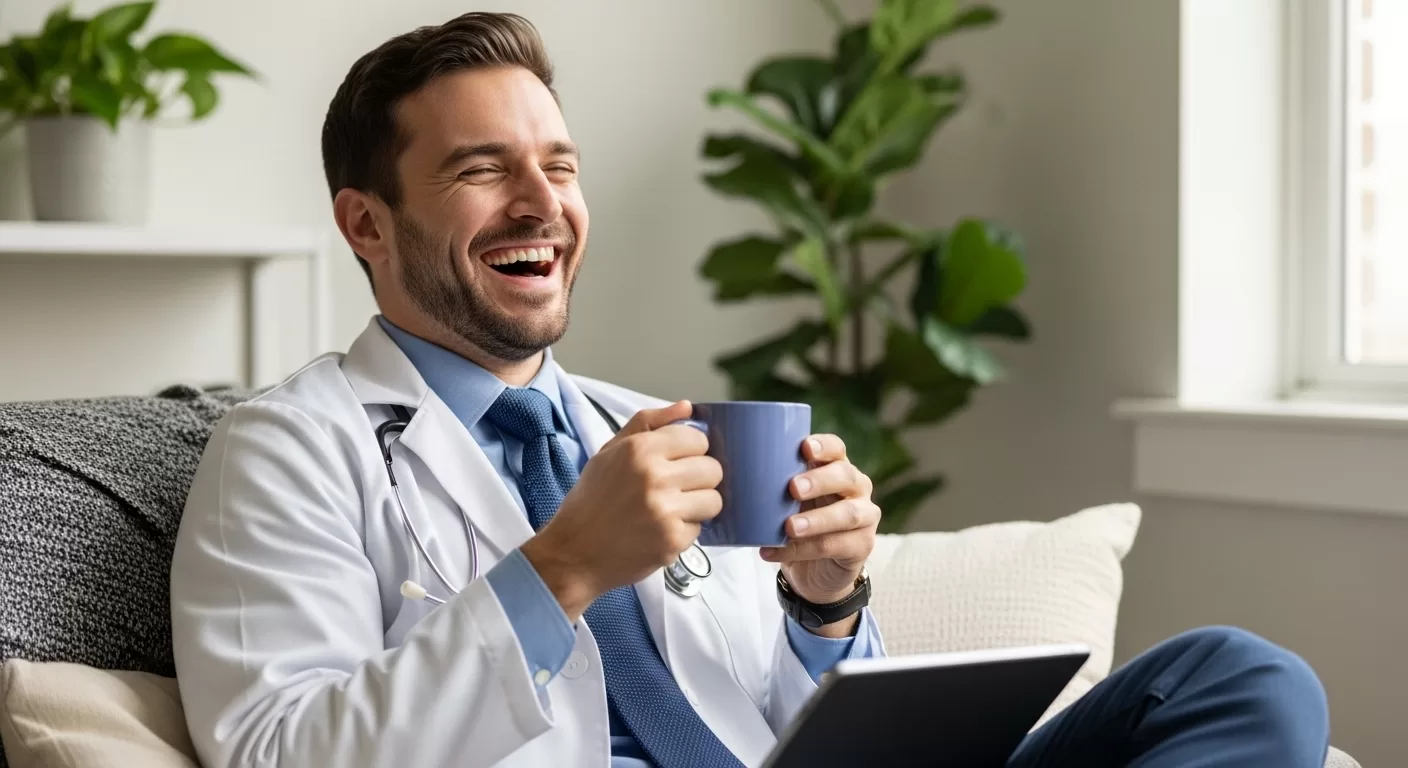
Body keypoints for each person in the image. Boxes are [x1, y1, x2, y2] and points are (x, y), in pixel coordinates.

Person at [169, 11, 1332, 768]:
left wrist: (825, 606)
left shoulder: (646, 426)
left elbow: (778, 723)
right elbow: (276, 751)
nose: (541, 203)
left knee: (1236, 677)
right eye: (483, 171)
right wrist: (562, 568)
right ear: (364, 223)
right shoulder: (287, 450)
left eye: (559, 167)